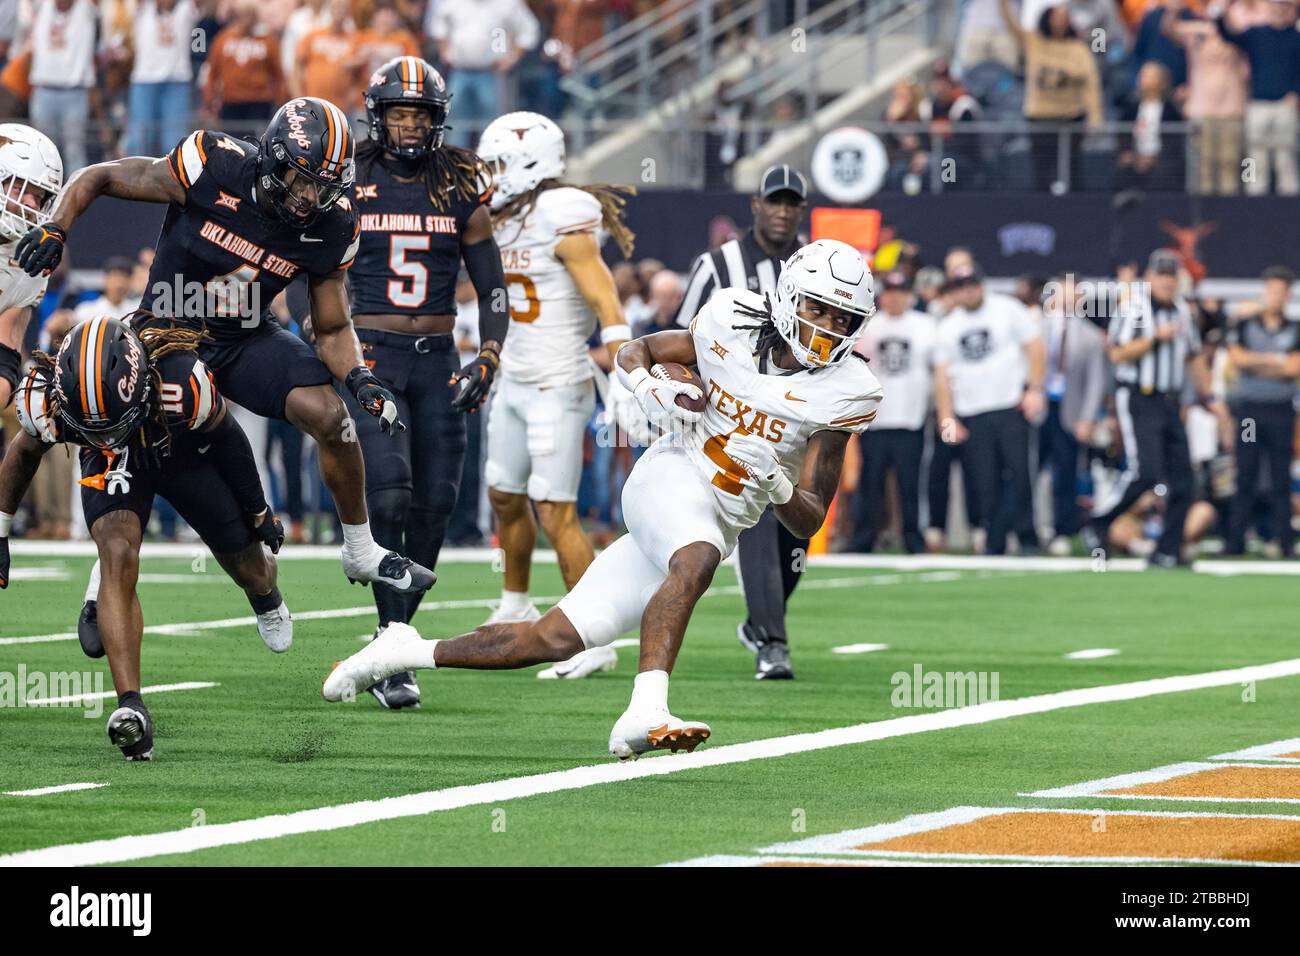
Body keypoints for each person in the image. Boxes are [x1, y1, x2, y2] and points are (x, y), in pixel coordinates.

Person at [323, 239, 883, 760]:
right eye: (819, 310)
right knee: (697, 558)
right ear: (788, 299)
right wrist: (652, 388)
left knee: (553, 639)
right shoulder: (732, 320)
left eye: (843, 319)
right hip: (671, 476)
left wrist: (779, 484)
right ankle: (645, 711)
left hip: (719, 513)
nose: (829, 329)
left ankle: (403, 649)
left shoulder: (845, 390)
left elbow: (807, 519)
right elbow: (636, 351)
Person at [15, 96, 437, 602]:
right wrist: (57, 225)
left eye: (324, 187)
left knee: (329, 414)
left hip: (242, 337)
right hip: (164, 330)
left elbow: (330, 326)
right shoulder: (212, 164)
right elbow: (99, 176)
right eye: (302, 179)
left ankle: (360, 547)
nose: (309, 197)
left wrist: (359, 376)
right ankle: (105, 572)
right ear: (272, 157)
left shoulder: (333, 223)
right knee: (137, 442)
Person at [0, 317, 289, 760]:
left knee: (251, 569)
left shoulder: (180, 381)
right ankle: (130, 707)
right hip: (112, 466)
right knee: (117, 549)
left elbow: (228, 437)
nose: (104, 433)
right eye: (90, 426)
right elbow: (22, 455)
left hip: (180, 452)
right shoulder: (47, 398)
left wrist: (258, 509)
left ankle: (265, 596)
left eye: (111, 422)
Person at [342, 57, 510, 708]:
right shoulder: (351, 175)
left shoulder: (461, 180)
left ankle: (399, 634)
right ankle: (392, 640)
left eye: (418, 115)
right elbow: (316, 269)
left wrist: (489, 357)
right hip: (374, 352)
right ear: (377, 117)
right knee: (388, 495)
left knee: (435, 504)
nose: (408, 126)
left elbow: (493, 287)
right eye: (398, 113)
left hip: (439, 354)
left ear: (437, 121)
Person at [474, 112, 641, 685]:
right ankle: (516, 601)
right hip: (513, 380)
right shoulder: (499, 217)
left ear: (528, 165)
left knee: (555, 509)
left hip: (557, 383)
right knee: (504, 496)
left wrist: (623, 369)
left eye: (499, 164)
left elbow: (606, 299)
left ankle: (593, 636)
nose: (489, 174)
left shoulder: (562, 214)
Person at [673, 163, 810, 680]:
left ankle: (761, 622)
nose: (781, 212)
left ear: (800, 210)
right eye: (773, 202)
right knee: (758, 526)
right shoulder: (717, 265)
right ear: (756, 205)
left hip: (797, 416)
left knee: (797, 536)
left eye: (791, 204)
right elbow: (682, 335)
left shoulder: (815, 264)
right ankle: (773, 644)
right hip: (736, 416)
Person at [1086, 249, 1222, 567]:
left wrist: (1210, 397)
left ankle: (1167, 550)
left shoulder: (1182, 311)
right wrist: (1154, 339)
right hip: (1138, 397)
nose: (1166, 281)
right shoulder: (1133, 308)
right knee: (1145, 471)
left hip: (1170, 400)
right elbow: (1117, 354)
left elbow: (1193, 357)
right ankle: (1099, 521)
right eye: (1161, 275)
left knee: (1184, 480)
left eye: (1172, 276)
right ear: (1149, 278)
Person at [933, 261, 1046, 555]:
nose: (967, 292)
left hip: (1009, 406)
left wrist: (1034, 389)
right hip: (973, 412)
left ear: (981, 285)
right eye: (961, 288)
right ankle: (995, 541)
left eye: (971, 285)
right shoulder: (948, 326)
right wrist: (947, 416)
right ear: (955, 293)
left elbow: (1035, 347)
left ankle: (1027, 536)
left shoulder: (1007, 308)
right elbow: (942, 375)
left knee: (1021, 474)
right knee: (984, 482)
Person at [851, 270, 936, 553]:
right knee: (869, 484)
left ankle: (914, 539)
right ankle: (864, 538)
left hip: (910, 419)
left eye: (900, 293)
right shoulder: (868, 327)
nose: (894, 298)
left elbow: (940, 369)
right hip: (874, 421)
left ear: (909, 296)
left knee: (910, 486)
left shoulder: (925, 325)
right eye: (889, 292)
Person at [1223, 265, 1300, 556]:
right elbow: (1239, 360)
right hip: (1251, 412)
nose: (1276, 296)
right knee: (1246, 474)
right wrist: (1276, 361)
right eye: (1272, 290)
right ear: (1264, 292)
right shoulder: (1246, 324)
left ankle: (1284, 543)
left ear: (1288, 295)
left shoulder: (1295, 328)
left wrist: (1259, 362)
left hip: (1281, 411)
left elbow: (1294, 367)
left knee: (1280, 477)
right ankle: (1235, 541)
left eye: (1282, 291)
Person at [0, 124, 62, 409]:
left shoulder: (30, 261)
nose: (29, 203)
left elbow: (4, 364)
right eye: (20, 188)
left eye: (38, 197)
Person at [1217, 0, 1300, 196]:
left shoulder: (1296, 38)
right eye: (1277, 5)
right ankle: (1253, 194)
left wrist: (1295, 92)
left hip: (1284, 104)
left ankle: (1290, 197)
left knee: (1285, 154)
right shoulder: (1257, 34)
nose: (1280, 10)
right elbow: (1229, 36)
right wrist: (1220, 14)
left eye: (1284, 6)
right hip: (1258, 103)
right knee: (1254, 156)